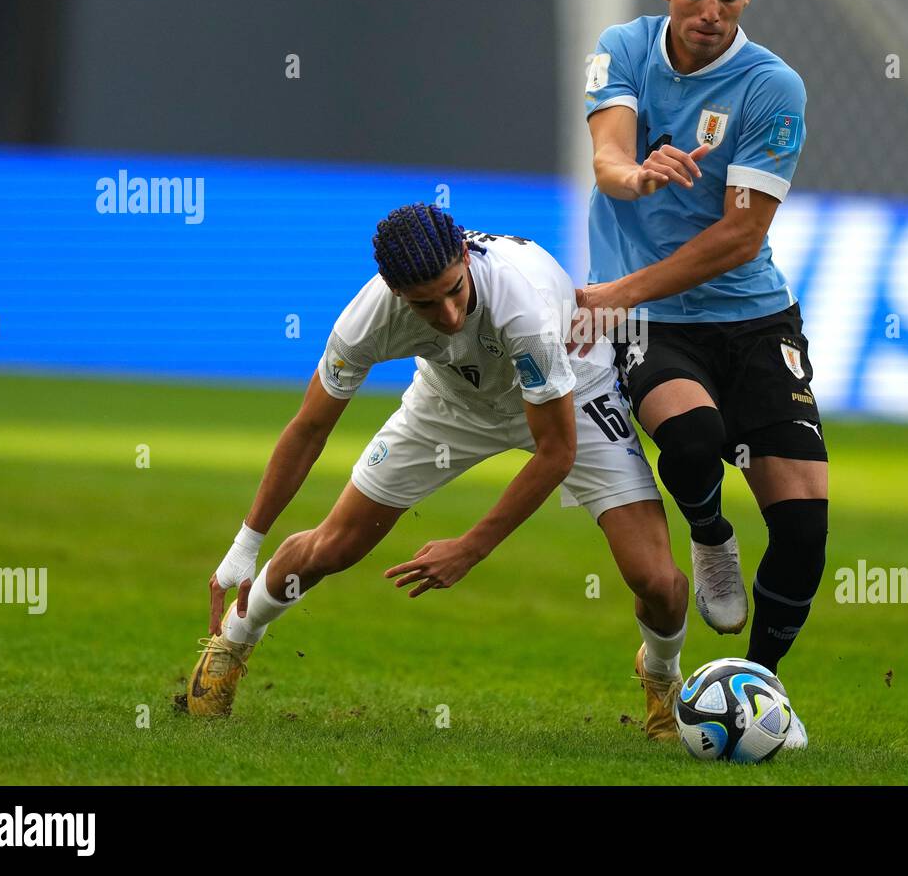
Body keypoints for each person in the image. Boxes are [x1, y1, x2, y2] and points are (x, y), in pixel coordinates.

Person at [175, 203, 689, 740]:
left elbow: (554, 452)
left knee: (656, 579)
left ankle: (660, 676)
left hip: (572, 396)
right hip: (450, 403)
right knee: (334, 547)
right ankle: (234, 638)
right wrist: (246, 542)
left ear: (466, 259)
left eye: (453, 291)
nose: (446, 315)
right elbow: (309, 429)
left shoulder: (522, 308)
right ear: (396, 293)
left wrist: (471, 547)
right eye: (424, 304)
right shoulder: (366, 318)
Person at [578, 0, 825, 747]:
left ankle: (759, 690)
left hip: (752, 315)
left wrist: (616, 288)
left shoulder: (772, 87)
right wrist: (635, 173)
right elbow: (608, 159)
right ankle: (711, 534)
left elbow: (739, 237)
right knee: (691, 438)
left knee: (802, 528)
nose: (709, 11)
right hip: (655, 321)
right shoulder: (623, 49)